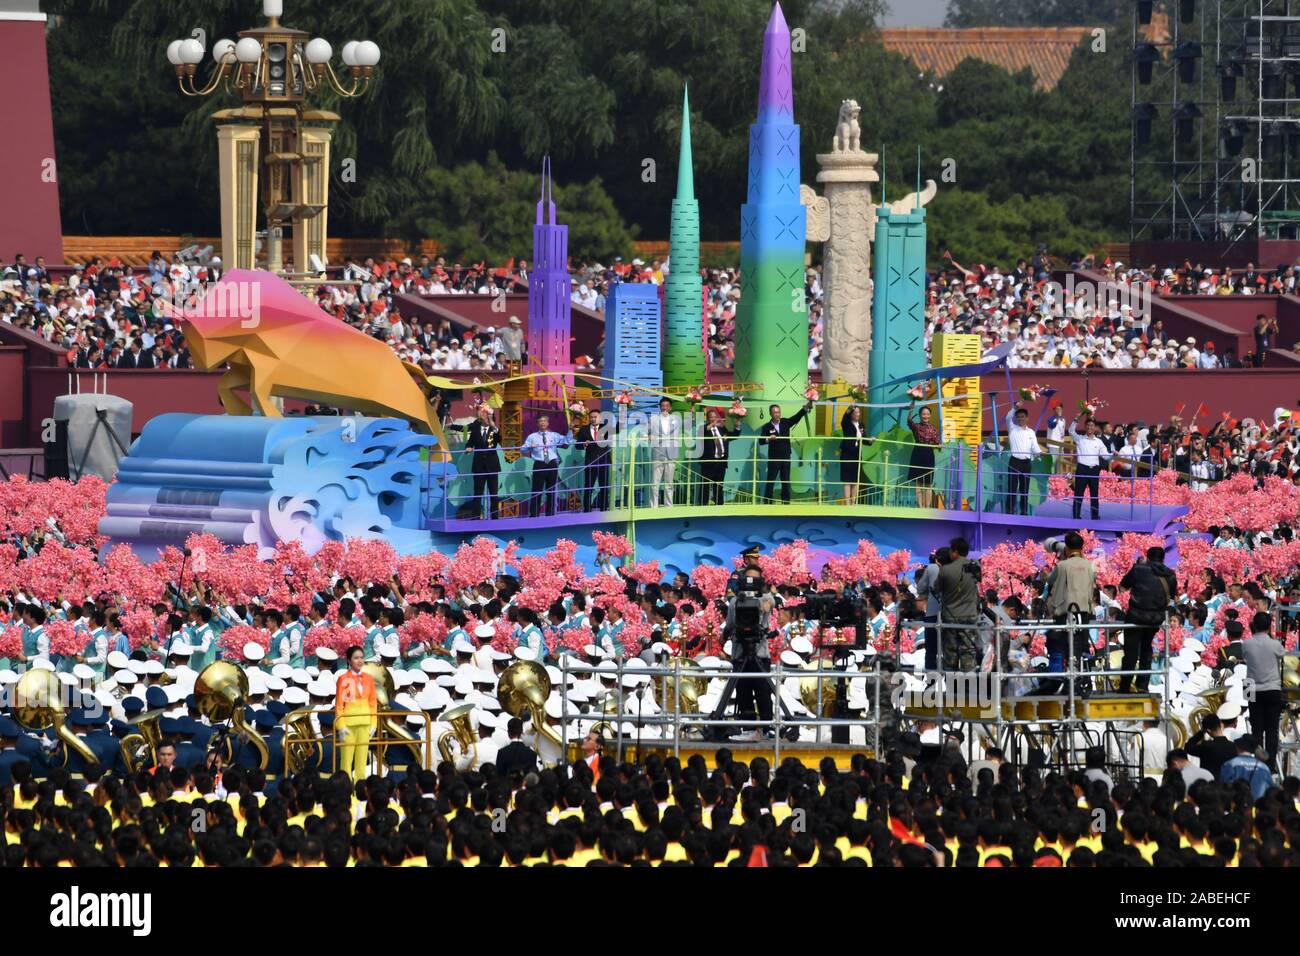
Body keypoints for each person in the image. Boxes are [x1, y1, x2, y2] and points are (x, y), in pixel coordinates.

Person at [1117, 546, 1176, 694]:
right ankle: (1142, 685)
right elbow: (1172, 595)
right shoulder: (1170, 574)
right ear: (1163, 559)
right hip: (1155, 619)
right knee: (1146, 649)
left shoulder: (1138, 569)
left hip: (1135, 617)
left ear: (1148, 557)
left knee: (1130, 652)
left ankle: (1125, 686)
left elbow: (1123, 586)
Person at [1043, 532, 1097, 691]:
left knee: (1063, 646)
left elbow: (1050, 581)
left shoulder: (1062, 566)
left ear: (1066, 547)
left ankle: (1064, 681)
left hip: (1065, 612)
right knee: (1081, 645)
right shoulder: (1089, 565)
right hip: (1084, 612)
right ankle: (1081, 679)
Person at [1242, 610, 1285, 771]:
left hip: (1252, 687)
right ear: (1269, 626)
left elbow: (1245, 657)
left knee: (1257, 728)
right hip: (1272, 688)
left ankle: (1258, 761)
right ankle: (1271, 763)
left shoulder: (1247, 643)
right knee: (1272, 729)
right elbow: (1282, 656)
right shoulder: (1274, 644)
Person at [934, 537, 980, 673]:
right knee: (969, 652)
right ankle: (970, 687)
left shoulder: (945, 570)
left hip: (951, 618)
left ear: (954, 552)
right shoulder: (975, 567)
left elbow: (936, 589)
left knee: (950, 654)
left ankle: (951, 688)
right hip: (970, 617)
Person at [335, 645, 377, 781]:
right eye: (356, 658)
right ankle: (345, 789)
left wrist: (373, 723)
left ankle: (360, 790)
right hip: (348, 723)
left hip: (365, 723)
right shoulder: (344, 678)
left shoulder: (369, 678)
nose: (359, 661)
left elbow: (373, 703)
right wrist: (341, 726)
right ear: (349, 660)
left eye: (361, 658)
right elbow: (340, 705)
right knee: (346, 761)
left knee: (362, 761)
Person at [759, 400, 812, 504]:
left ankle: (786, 501)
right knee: (771, 480)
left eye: (778, 412)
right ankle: (768, 501)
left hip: (786, 456)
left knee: (786, 480)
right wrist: (768, 439)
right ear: (770, 414)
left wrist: (805, 409)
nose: (777, 414)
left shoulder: (785, 422)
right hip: (774, 457)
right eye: (775, 412)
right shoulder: (766, 426)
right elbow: (761, 441)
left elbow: (796, 417)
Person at [521, 414, 572, 517]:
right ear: (537, 423)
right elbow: (522, 449)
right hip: (539, 463)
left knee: (552, 490)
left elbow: (567, 441)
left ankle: (550, 513)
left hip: (552, 463)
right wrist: (530, 446)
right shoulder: (532, 437)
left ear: (548, 423)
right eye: (540, 421)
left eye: (544, 421)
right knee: (536, 490)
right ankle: (534, 514)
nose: (542, 423)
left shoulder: (554, 435)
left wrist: (570, 430)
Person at [1068, 414, 1108, 521]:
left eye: (1092, 425)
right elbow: (1071, 431)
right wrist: (1077, 417)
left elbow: (1105, 455)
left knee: (1094, 495)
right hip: (1082, 469)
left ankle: (1095, 516)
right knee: (1078, 494)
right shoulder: (1080, 439)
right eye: (1088, 425)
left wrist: (1113, 454)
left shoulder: (1099, 441)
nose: (1090, 427)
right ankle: (1076, 516)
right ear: (1085, 427)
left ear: (1095, 427)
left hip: (1094, 470)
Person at [465, 403, 502, 519]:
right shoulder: (475, 429)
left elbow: (499, 438)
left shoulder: (494, 430)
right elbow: (470, 442)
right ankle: (475, 516)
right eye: (484, 415)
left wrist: (493, 425)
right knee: (478, 493)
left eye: (488, 416)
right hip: (479, 465)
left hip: (492, 465)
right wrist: (468, 447)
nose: (486, 417)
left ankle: (495, 517)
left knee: (494, 493)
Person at [697, 407, 738, 506]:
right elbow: (702, 433)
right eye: (711, 417)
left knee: (719, 485)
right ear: (707, 419)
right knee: (705, 485)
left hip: (721, 462)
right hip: (709, 462)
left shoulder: (722, 429)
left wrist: (737, 426)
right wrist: (712, 424)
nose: (714, 418)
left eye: (715, 417)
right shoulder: (703, 428)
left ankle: (719, 504)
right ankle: (703, 504)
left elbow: (733, 436)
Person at [1005, 404, 1041, 516]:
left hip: (1026, 463)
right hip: (1014, 461)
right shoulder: (1012, 428)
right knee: (1012, 487)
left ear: (1027, 418)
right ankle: (1010, 510)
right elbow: (1007, 417)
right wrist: (1015, 407)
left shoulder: (1031, 432)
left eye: (1022, 417)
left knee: (1024, 489)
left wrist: (1039, 453)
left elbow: (1035, 447)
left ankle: (1024, 511)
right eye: (1018, 417)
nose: (1020, 419)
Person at [574, 409, 611, 512]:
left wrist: (623, 405)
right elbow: (577, 445)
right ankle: (587, 508)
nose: (593, 419)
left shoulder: (606, 428)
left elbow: (618, 428)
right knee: (588, 486)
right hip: (590, 461)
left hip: (603, 461)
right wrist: (583, 444)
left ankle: (604, 508)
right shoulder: (584, 429)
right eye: (591, 417)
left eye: (595, 417)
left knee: (604, 486)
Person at [648, 398, 681, 508]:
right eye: (662, 405)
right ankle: (654, 506)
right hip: (657, 453)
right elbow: (645, 434)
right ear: (660, 407)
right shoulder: (653, 419)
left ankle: (669, 506)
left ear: (670, 407)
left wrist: (692, 405)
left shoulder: (676, 419)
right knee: (655, 482)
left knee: (669, 483)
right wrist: (649, 436)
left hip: (671, 453)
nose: (664, 408)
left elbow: (691, 422)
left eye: (667, 405)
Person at [1218, 734, 1273, 800]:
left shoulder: (1230, 764)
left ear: (1238, 746)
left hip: (1237, 806)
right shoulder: (1264, 767)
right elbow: (1270, 790)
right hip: (1257, 807)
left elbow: (1223, 787)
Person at [906, 402, 940, 508]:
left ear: (930, 415)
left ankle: (927, 506)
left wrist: (939, 445)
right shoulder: (916, 426)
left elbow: (937, 441)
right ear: (920, 415)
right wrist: (911, 410)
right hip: (918, 452)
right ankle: (920, 506)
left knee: (928, 483)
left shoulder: (934, 429)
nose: (925, 416)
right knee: (918, 482)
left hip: (929, 454)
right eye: (923, 414)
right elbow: (909, 421)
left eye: (927, 414)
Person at [839, 406, 873, 506]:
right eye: (856, 412)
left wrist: (870, 441)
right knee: (847, 479)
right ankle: (847, 503)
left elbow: (864, 438)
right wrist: (850, 408)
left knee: (855, 479)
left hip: (857, 454)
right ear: (851, 413)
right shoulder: (846, 423)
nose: (858, 414)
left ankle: (854, 502)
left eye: (859, 412)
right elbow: (844, 417)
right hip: (847, 453)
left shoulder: (861, 424)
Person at [1185, 714, 1236, 780]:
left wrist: (1201, 732)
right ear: (1220, 725)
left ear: (1208, 731)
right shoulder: (1233, 746)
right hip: (1228, 785)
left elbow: (1188, 747)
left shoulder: (1207, 746)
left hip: (1210, 785)